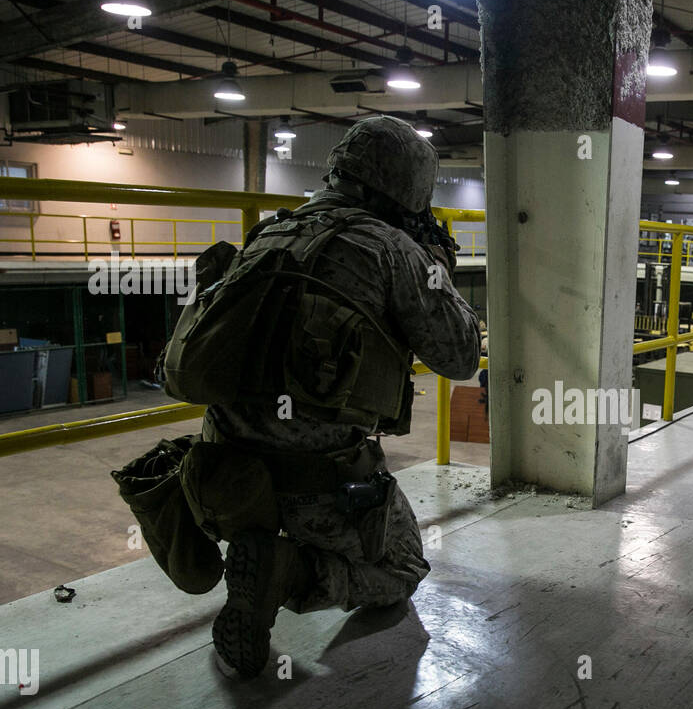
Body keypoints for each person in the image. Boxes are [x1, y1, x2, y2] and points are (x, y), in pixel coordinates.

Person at [188, 116, 481, 678]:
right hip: (317, 482)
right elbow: (459, 357)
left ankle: (259, 548)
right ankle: (288, 571)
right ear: (408, 190)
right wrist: (437, 266)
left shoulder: (268, 234)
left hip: (221, 470)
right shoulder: (394, 249)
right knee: (404, 570)